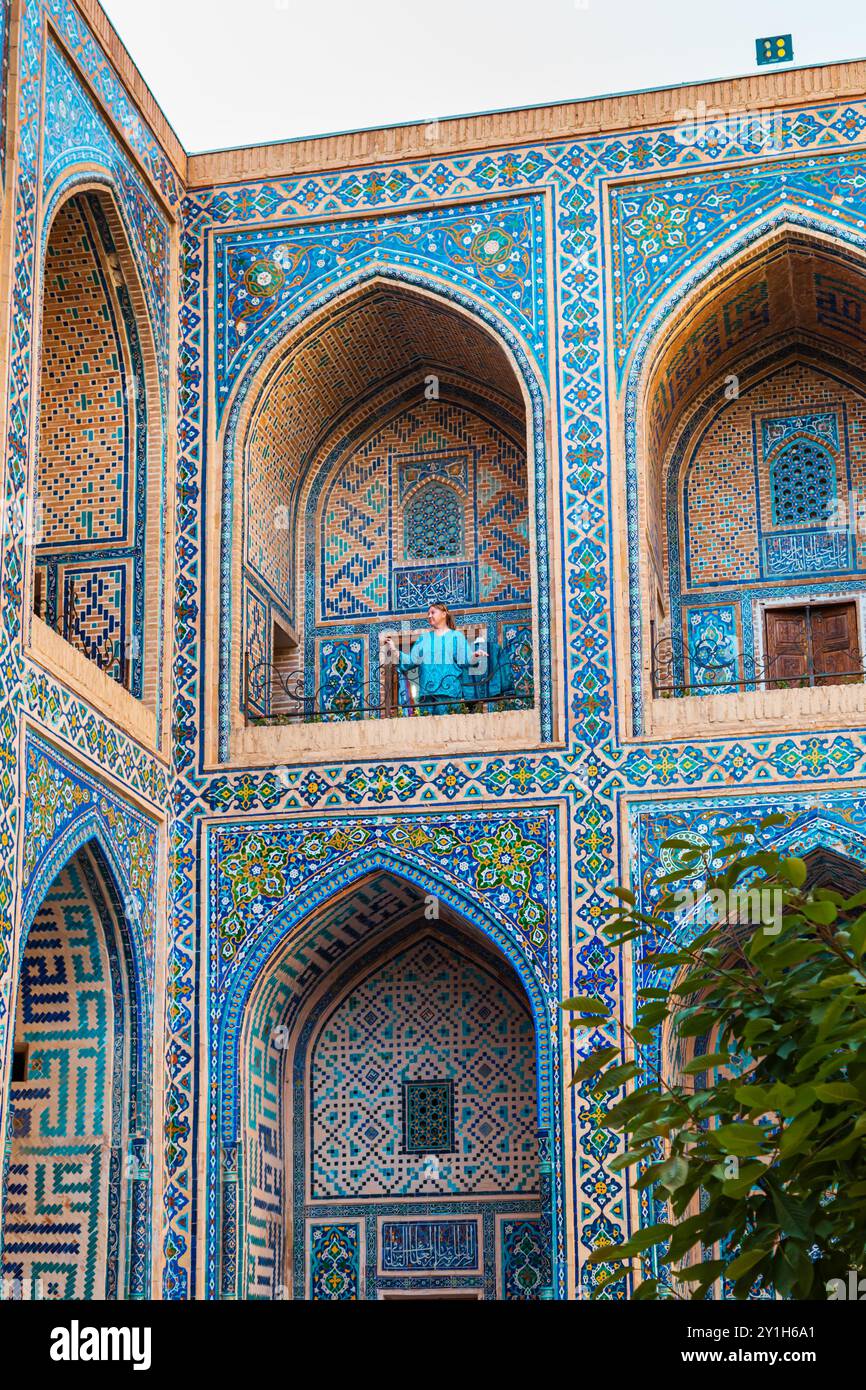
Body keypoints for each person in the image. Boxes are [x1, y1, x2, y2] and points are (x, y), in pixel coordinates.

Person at [384, 603, 473, 715]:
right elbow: (412, 660)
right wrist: (394, 649)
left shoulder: (456, 636)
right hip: (426, 695)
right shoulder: (423, 639)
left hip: (449, 693)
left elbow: (466, 659)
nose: (429, 616)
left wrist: (475, 656)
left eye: (433, 612)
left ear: (444, 614)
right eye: (428, 614)